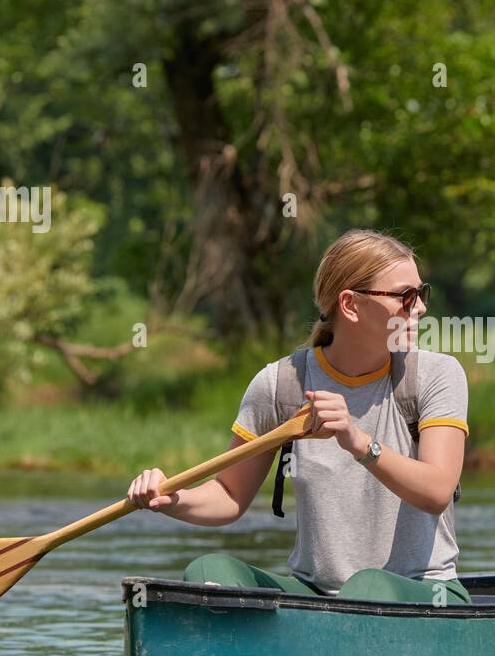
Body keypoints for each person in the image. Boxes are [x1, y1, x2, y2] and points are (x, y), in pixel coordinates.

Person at [126, 229, 471, 604]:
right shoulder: (281, 385)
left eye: (422, 294)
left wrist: (359, 443)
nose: (420, 308)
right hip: (317, 595)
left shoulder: (436, 375)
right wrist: (172, 499)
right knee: (209, 571)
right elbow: (229, 495)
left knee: (370, 587)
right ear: (350, 305)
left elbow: (437, 492)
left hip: (425, 589)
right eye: (405, 296)